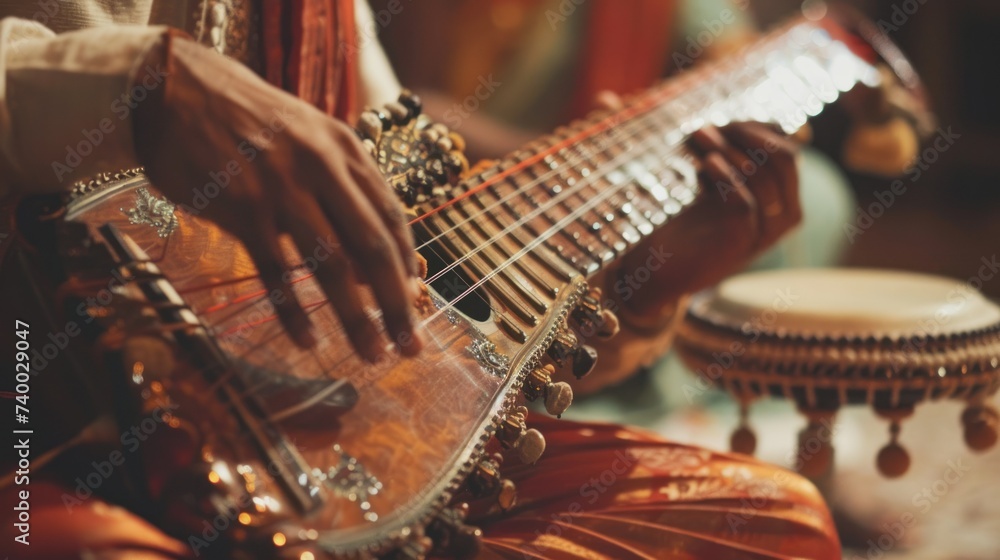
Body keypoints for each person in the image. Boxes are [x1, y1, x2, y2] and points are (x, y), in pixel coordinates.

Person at [0, 1, 841, 557]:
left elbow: (420, 263)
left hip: (312, 430)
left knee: (778, 523)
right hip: (48, 423)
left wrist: (638, 284)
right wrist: (132, 86)